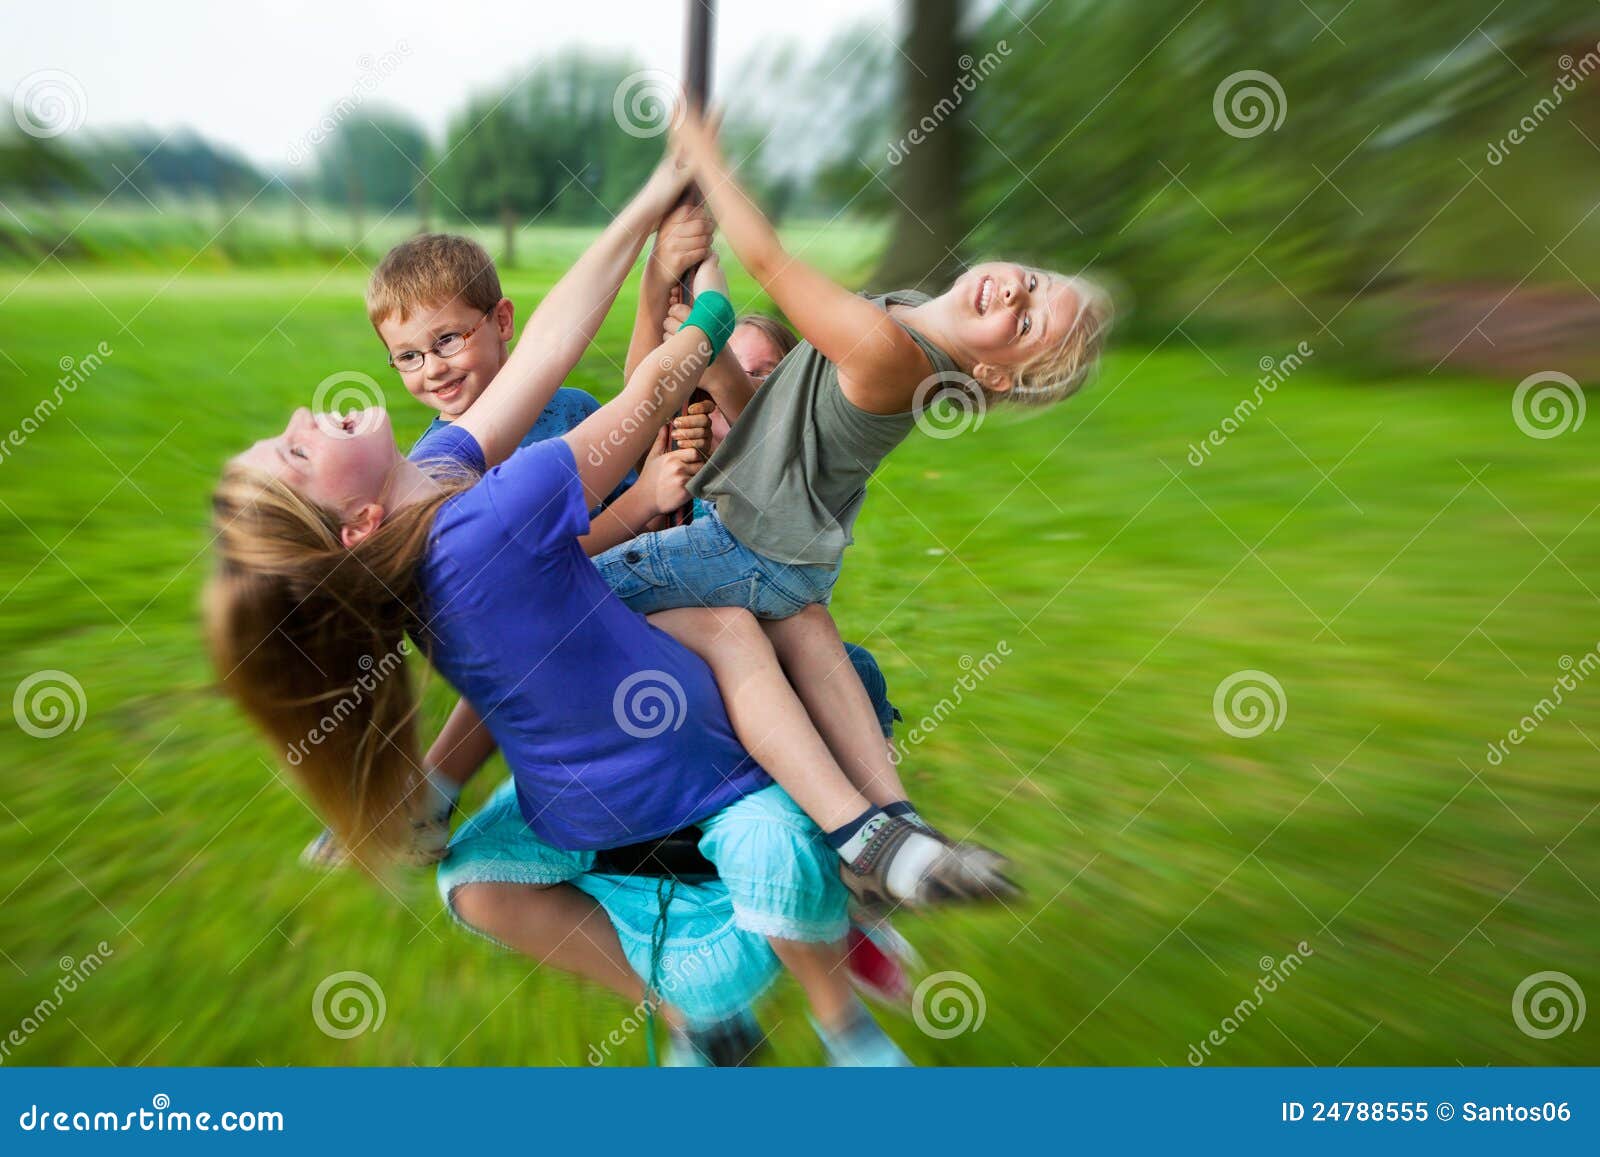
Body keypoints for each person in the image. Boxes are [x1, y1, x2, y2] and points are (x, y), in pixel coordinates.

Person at [591, 108, 1110, 907]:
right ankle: (901, 835)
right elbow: (762, 394)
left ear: (997, 375)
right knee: (811, 637)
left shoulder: (889, 352)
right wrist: (698, 267)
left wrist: (706, 157)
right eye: (1035, 283)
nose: (1017, 291)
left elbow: (774, 260)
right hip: (791, 565)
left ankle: (853, 836)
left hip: (741, 546)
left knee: (568, 584)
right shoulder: (909, 321)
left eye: (1030, 321)